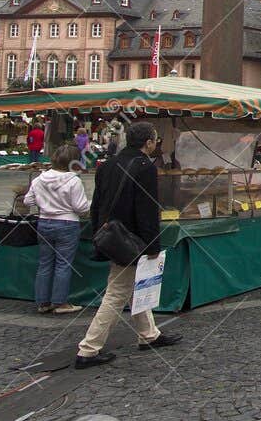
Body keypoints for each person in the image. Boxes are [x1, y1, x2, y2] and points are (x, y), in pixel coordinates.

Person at [75, 122, 182, 368]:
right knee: (116, 294)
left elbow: (97, 203)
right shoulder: (145, 167)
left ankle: (149, 335)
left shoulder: (108, 164)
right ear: (148, 142)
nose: (156, 144)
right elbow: (147, 209)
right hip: (131, 239)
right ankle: (88, 350)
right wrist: (153, 245)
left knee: (134, 287)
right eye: (155, 140)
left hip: (111, 234)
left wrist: (98, 230)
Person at [26, 143, 89, 315]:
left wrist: (43, 204)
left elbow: (27, 201)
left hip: (44, 222)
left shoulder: (39, 178)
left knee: (45, 263)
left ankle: (43, 302)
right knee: (63, 264)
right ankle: (60, 303)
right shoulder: (74, 181)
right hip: (67, 224)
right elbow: (81, 208)